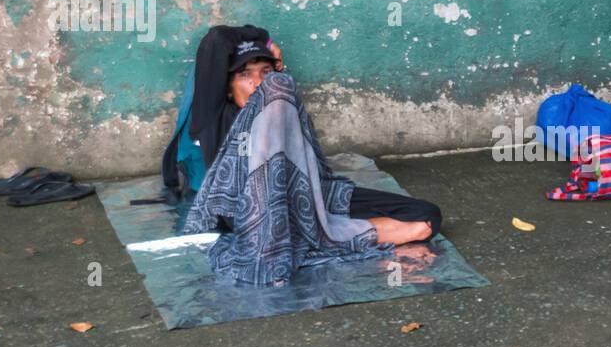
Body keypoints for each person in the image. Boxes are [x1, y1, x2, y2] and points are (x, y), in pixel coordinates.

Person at [182, 27, 441, 286]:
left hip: (308, 195)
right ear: (227, 88)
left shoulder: (285, 112)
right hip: (251, 213)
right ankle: (332, 235)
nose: (259, 82)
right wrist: (266, 40)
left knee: (426, 216)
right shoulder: (213, 118)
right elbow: (216, 38)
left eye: (267, 73)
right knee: (274, 241)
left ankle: (323, 235)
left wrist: (277, 79)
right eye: (245, 74)